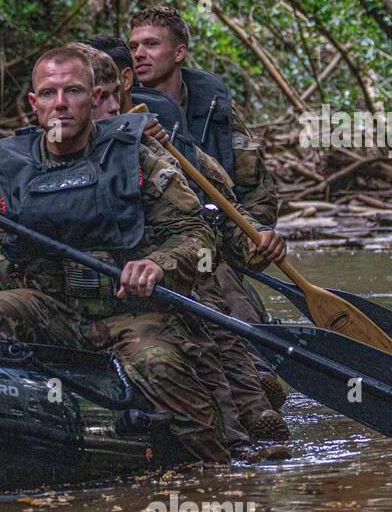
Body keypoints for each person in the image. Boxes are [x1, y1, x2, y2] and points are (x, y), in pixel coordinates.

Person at [0, 46, 229, 465]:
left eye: (72, 91)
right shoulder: (10, 174)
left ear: (93, 98)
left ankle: (215, 474)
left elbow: (198, 235)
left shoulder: (136, 158)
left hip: (129, 312)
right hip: (51, 311)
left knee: (160, 364)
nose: (61, 104)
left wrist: (156, 265)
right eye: (49, 93)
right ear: (34, 105)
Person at [85, 36, 290, 443]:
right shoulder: (48, 148)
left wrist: (258, 237)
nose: (100, 104)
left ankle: (250, 410)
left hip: (182, 266)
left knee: (213, 313)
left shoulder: (160, 137)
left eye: (107, 91)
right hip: (102, 287)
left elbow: (219, 209)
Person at [130, 6, 288, 410]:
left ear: (179, 53)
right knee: (213, 288)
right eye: (133, 46)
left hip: (222, 242)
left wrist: (254, 240)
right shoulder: (125, 115)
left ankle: (258, 381)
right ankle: (249, 387)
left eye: (151, 44)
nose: (139, 54)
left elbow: (257, 191)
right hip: (165, 247)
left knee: (232, 291)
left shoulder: (218, 112)